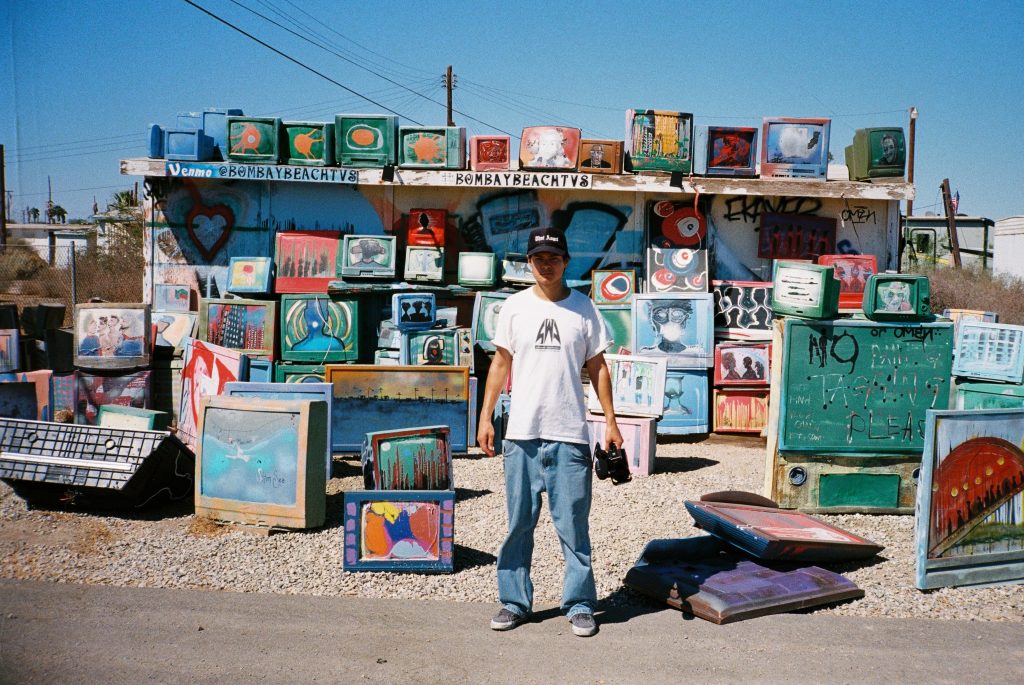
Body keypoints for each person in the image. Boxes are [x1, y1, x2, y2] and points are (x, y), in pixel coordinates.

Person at [478, 226, 622, 638]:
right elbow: (500, 365)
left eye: (553, 258)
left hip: (570, 434)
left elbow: (598, 367)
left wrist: (610, 422)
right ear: (530, 262)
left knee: (573, 527)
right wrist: (486, 417)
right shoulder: (513, 308)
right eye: (539, 258)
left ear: (564, 262)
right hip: (521, 434)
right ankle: (514, 602)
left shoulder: (584, 309)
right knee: (518, 525)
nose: (546, 264)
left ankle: (579, 604)